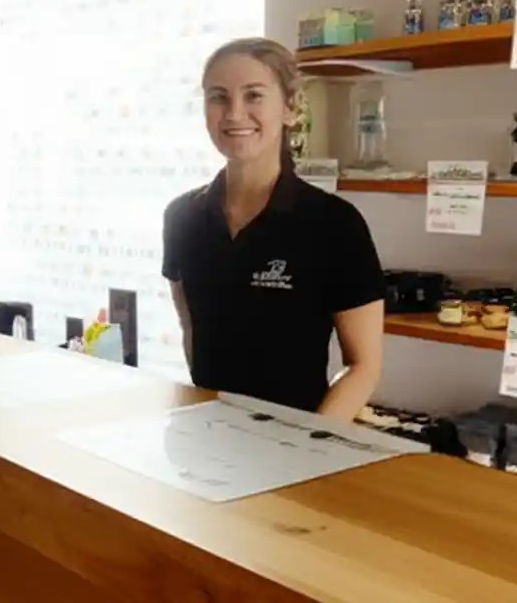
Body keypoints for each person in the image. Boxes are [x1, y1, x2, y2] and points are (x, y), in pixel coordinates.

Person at [162, 37, 384, 422]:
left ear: (291, 108)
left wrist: (305, 444)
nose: (234, 113)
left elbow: (364, 367)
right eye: (218, 97)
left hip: (298, 449)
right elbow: (192, 332)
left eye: (254, 96)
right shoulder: (182, 217)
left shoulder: (334, 223)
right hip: (207, 440)